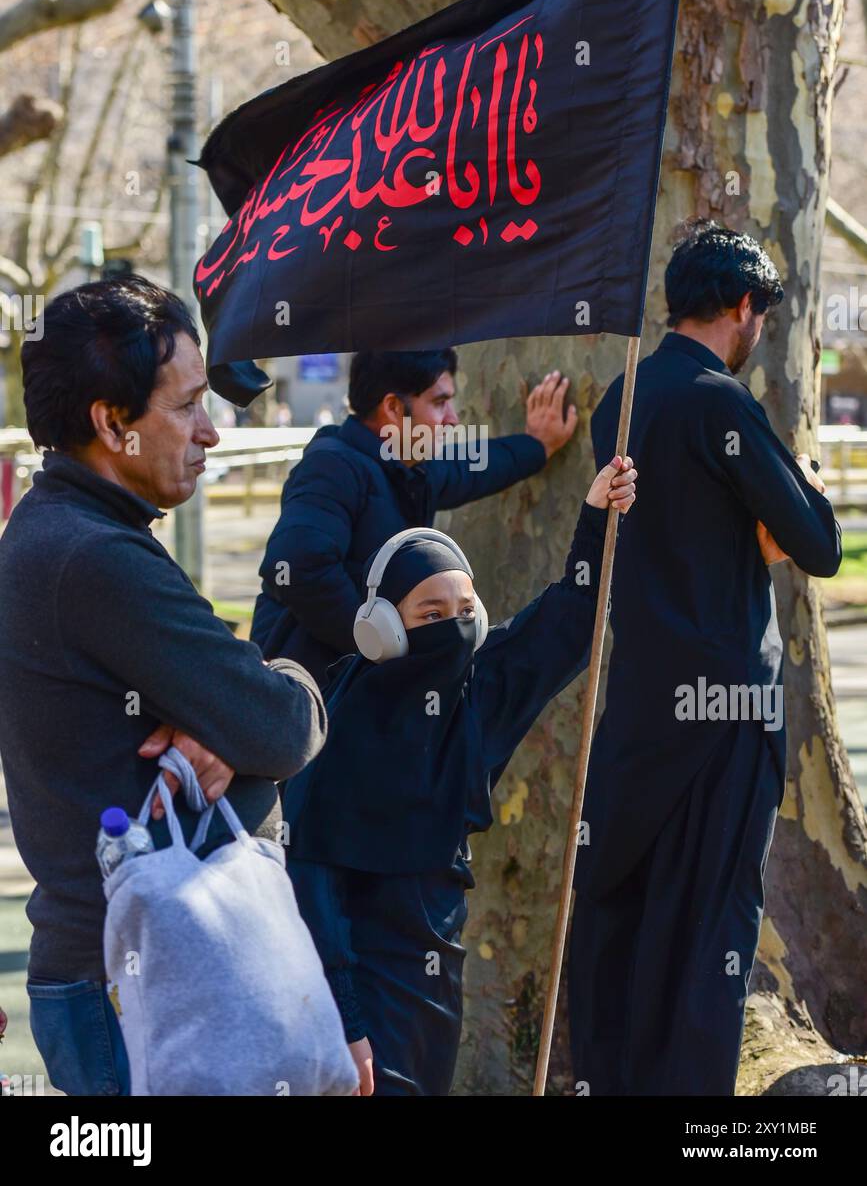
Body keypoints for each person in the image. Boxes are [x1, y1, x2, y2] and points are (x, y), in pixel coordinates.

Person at [0, 277, 328, 1098]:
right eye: (185, 407)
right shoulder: (94, 559)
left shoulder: (61, 531)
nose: (212, 433)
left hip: (134, 972)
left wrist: (223, 720)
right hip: (145, 985)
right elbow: (283, 725)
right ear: (112, 424)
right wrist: (268, 692)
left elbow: (245, 720)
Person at [567, 220, 842, 1097]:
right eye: (759, 313)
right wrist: (804, 484)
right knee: (710, 931)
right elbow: (817, 544)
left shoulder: (622, 397)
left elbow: (665, 531)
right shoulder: (720, 401)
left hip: (639, 709)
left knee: (628, 919)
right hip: (724, 717)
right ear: (742, 305)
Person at [284, 453, 638, 1095]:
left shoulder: (478, 696)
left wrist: (597, 516)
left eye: (463, 611)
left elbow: (570, 617)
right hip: (357, 980)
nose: (450, 627)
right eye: (428, 615)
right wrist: (346, 1020)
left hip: (438, 970)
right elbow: (313, 886)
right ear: (383, 630)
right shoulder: (335, 733)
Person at [251, 349, 578, 686]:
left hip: (355, 690)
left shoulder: (406, 465)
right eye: (439, 403)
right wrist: (378, 641)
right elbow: (297, 567)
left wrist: (536, 445)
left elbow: (467, 469)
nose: (452, 419)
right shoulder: (331, 467)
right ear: (393, 408)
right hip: (306, 697)